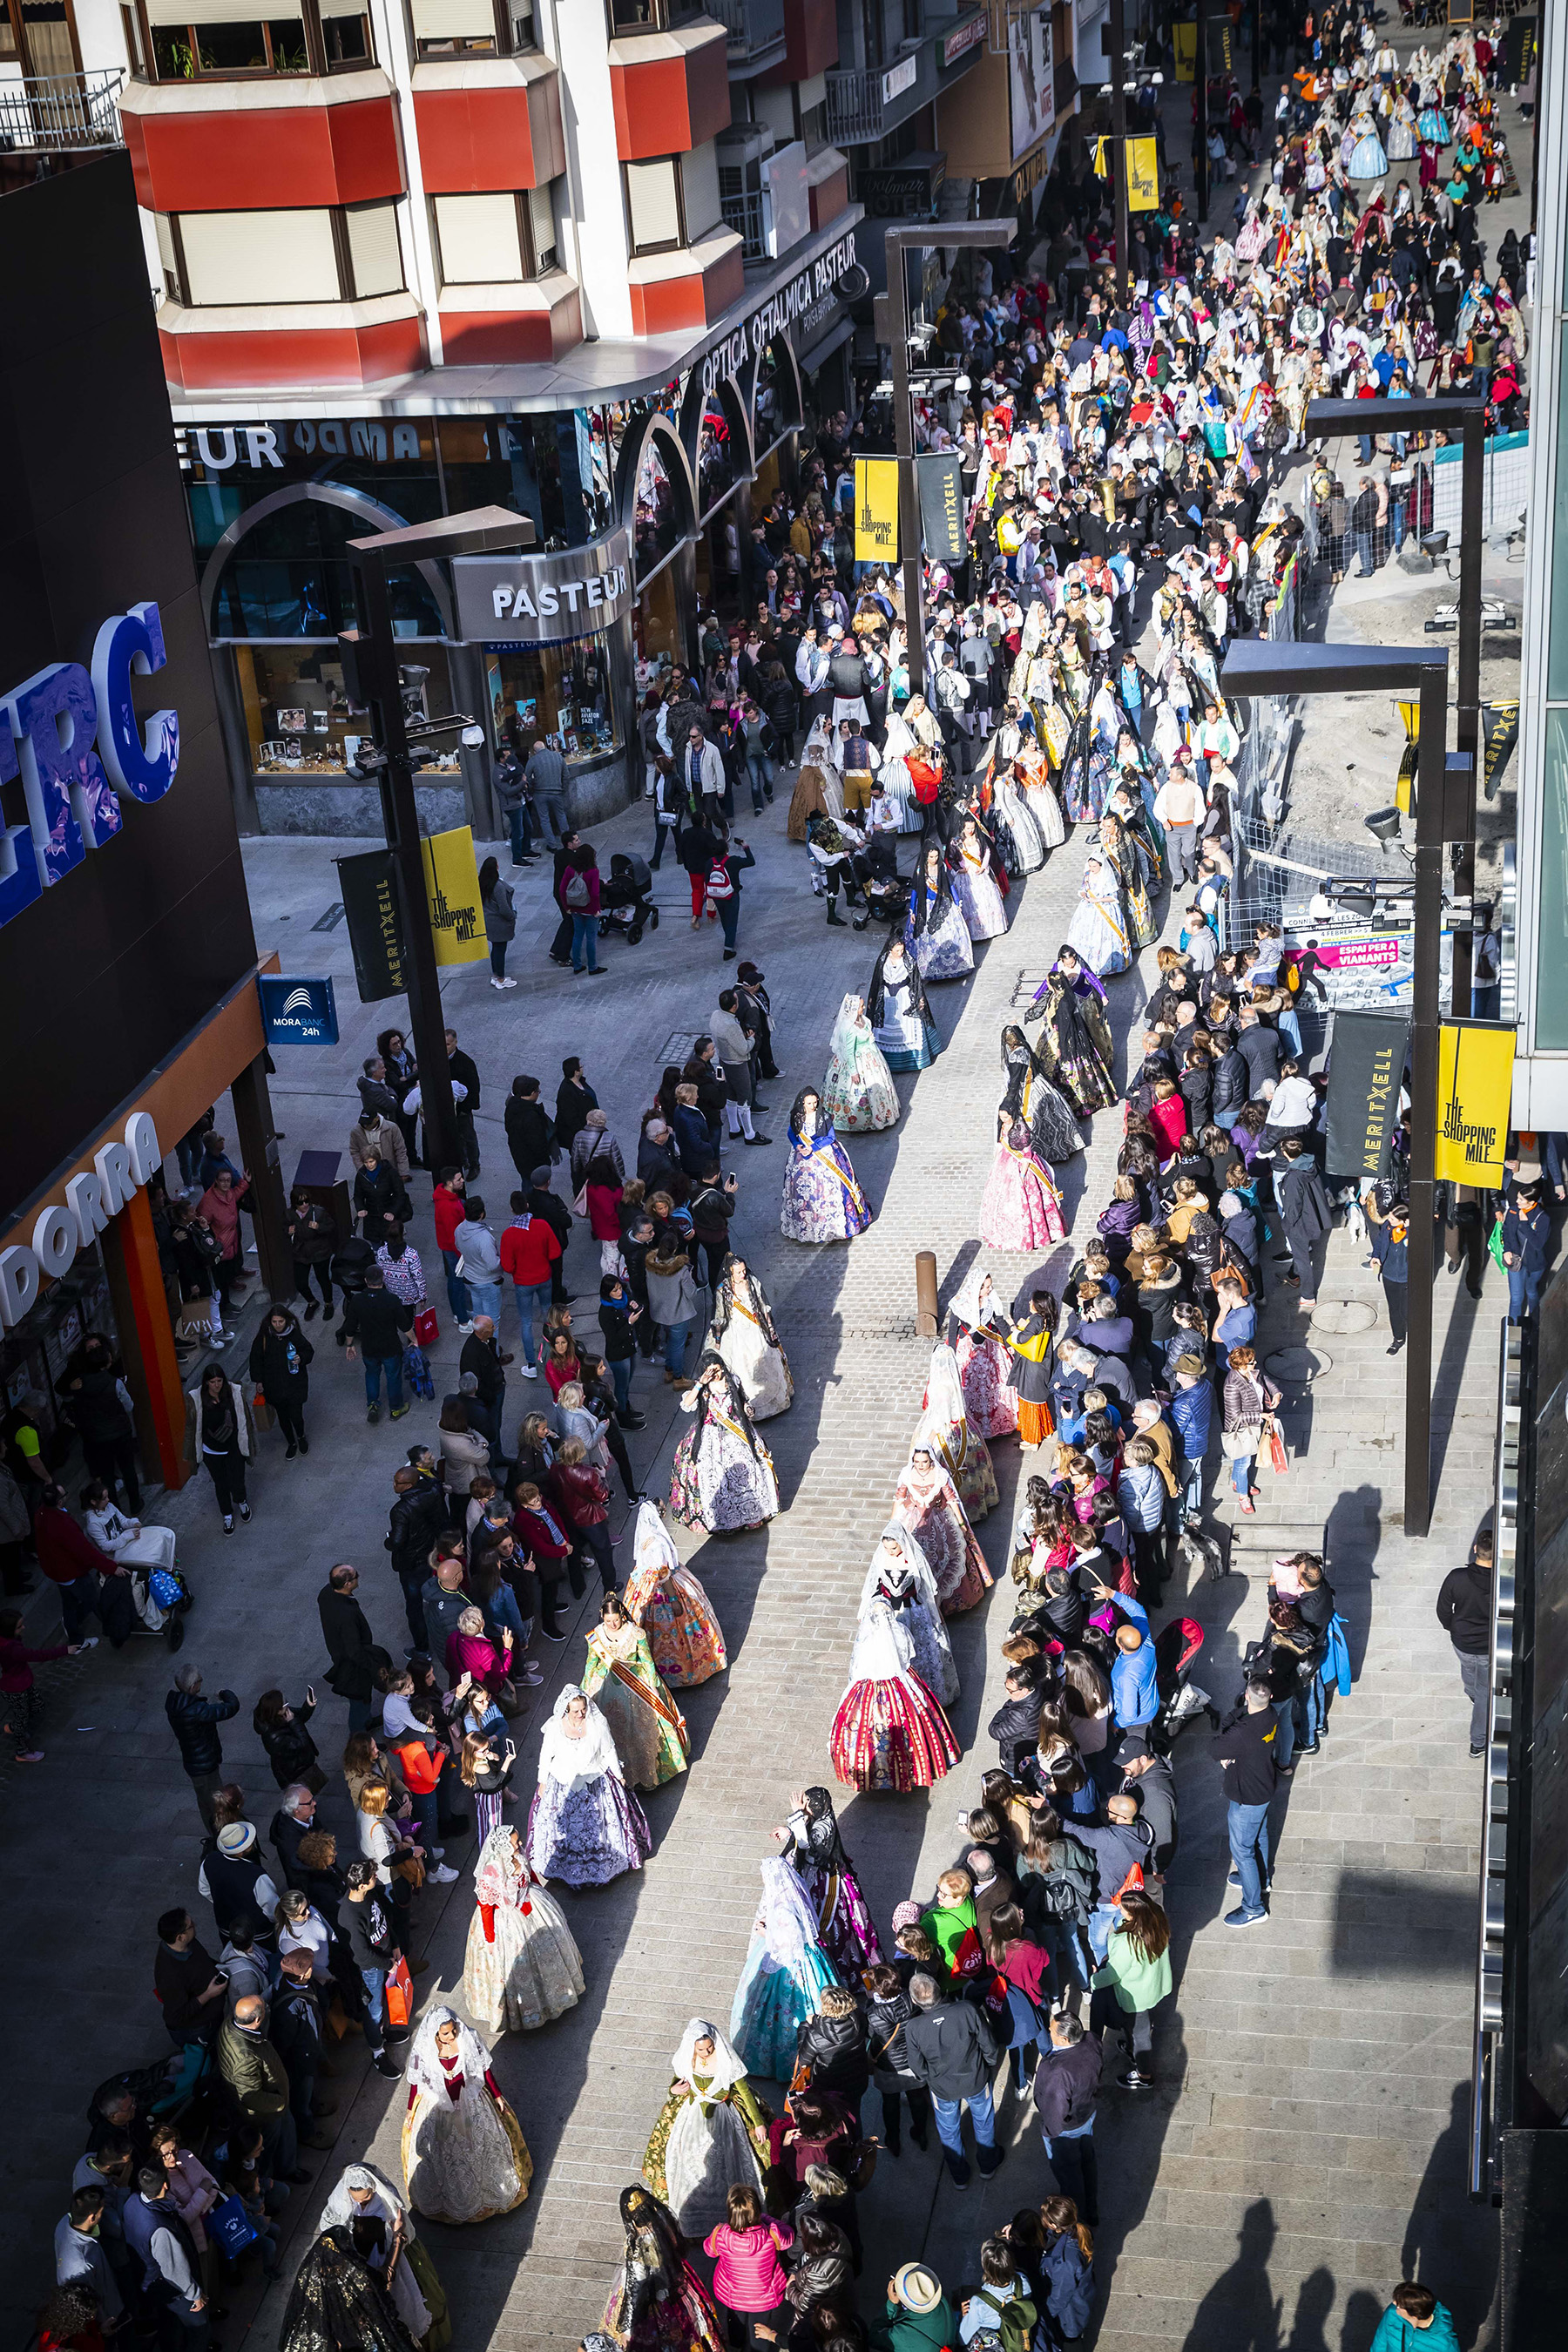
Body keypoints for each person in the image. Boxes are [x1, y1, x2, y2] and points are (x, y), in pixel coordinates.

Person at [401, 2006, 531, 2224]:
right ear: (435, 2033)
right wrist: (410, 2111)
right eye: (446, 2034)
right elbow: (417, 2082)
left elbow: (484, 2070)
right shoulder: (424, 2048)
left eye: (453, 2031)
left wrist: (497, 2096)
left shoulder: (468, 2038)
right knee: (445, 2156)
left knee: (479, 2147)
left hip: (471, 2102)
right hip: (438, 2107)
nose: (452, 2036)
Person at [643, 2020, 771, 2236]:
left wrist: (758, 2123)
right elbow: (676, 2083)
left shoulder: (726, 2061)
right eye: (701, 2049)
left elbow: (745, 2093)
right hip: (691, 2115)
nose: (706, 2051)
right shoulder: (686, 2059)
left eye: (709, 2047)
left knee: (725, 2161)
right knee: (690, 2160)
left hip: (723, 2115)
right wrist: (673, 2090)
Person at [464, 1821, 585, 2034]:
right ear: (503, 1848)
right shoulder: (492, 1871)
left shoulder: (519, 1856)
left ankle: (554, 1997)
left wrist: (540, 1893)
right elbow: (485, 1908)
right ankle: (527, 2010)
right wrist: (490, 1940)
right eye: (515, 1842)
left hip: (531, 1905)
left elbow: (532, 1876)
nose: (519, 1844)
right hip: (506, 1921)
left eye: (518, 1840)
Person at [526, 1686, 652, 1886]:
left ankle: (599, 1869)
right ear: (566, 1710)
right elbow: (545, 1755)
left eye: (583, 1709)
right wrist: (542, 1781)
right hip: (563, 1783)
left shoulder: (597, 1724)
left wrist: (619, 1777)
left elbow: (609, 1751)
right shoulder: (554, 1728)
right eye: (575, 1711)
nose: (581, 1714)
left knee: (601, 1827)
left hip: (595, 1781)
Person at [729, 1857, 839, 2082]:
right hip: (807, 1958)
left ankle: (780, 2060)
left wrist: (764, 1934)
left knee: (779, 2011)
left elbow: (786, 1945)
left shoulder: (781, 1908)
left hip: (786, 1965)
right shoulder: (794, 1895)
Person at [315, 2164, 443, 2343]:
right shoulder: (343, 2206)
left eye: (366, 2198)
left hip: (387, 2258)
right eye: (356, 2199)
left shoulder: (387, 2205)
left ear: (374, 2188)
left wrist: (397, 2237)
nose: (360, 2203)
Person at [900, 1970, 1004, 2186]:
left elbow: (916, 2066)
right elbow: (989, 2044)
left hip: (943, 2090)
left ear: (914, 2000)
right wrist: (989, 2064)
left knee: (948, 2132)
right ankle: (987, 2165)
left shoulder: (914, 2028)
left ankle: (960, 2176)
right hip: (976, 2080)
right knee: (984, 2122)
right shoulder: (966, 2009)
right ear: (939, 1990)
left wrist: (931, 2078)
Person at [580, 1589, 691, 1790]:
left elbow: (647, 1662)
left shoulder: (636, 1633)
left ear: (622, 1615)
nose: (612, 1625)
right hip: (607, 1685)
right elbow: (591, 1664)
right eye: (608, 1621)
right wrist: (586, 1690)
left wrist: (653, 1687)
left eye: (616, 1620)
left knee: (642, 1730)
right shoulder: (596, 1636)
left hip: (636, 1685)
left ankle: (648, 1774)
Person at [605, 2185, 726, 2352]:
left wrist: (628, 2331)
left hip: (654, 2299)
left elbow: (636, 2292)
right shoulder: (662, 2221)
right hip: (675, 2279)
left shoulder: (640, 2249)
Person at [669, 1354, 781, 1533]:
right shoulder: (703, 1387)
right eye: (712, 1372)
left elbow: (742, 1402)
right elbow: (687, 1404)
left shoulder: (732, 1380)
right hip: (710, 1436)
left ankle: (750, 1514)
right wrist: (700, 1383)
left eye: (718, 1370)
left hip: (736, 1432)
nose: (716, 1375)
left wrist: (747, 1410)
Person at [623, 1498, 727, 1687]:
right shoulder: (657, 1543)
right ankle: (686, 1671)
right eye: (662, 1510)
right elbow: (664, 1575)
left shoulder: (645, 1538)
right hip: (666, 1588)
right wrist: (674, 1600)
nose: (665, 1512)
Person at [891, 1443, 990, 1615]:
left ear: (931, 1460)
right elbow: (899, 1499)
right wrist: (892, 1524)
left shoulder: (940, 1475)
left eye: (924, 1461)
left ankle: (949, 1604)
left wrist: (961, 1524)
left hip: (939, 1518)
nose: (920, 1465)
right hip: (913, 1519)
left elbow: (952, 1500)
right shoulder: (907, 1474)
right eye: (917, 1461)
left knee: (949, 1554)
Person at [1088, 1887, 1171, 2091]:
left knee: (1140, 2034)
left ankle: (1144, 2075)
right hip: (1153, 1984)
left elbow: (1114, 1974)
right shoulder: (1157, 1921)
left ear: (1133, 1914)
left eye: (1123, 1909)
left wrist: (1094, 1979)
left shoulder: (1127, 1941)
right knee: (1136, 2027)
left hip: (1136, 1996)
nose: (1119, 1909)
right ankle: (1131, 2047)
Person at [1213, 1680, 1280, 1926]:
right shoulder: (1271, 1714)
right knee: (1259, 1835)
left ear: (1246, 1697)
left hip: (1246, 1795)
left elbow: (1215, 1747)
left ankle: (1253, 1908)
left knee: (1242, 1851)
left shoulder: (1242, 1731)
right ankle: (1261, 1879)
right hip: (1263, 1786)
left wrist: (1229, 1751)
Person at [701, 2183, 793, 2349]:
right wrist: (766, 2218)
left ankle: (736, 2344)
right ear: (757, 2210)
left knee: (736, 2324)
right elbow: (789, 2236)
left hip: (732, 2294)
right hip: (763, 2298)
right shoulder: (772, 2235)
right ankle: (757, 2348)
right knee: (759, 2330)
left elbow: (709, 2250)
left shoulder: (721, 2234)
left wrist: (718, 2230)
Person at [1033, 2011, 1102, 2227]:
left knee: (1069, 2175)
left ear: (1063, 2039)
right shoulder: (1091, 2039)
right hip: (1088, 2114)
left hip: (1066, 2129)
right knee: (1087, 2162)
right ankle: (1092, 2208)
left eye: (1051, 2031)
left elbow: (1055, 2111)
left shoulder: (1058, 2072)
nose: (1048, 2033)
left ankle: (1076, 2219)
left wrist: (1051, 2133)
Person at [781, 1088, 873, 1242]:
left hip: (824, 1154)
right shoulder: (796, 1116)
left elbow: (830, 1137)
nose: (813, 1106)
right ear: (802, 1103)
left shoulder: (823, 1116)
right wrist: (797, 1145)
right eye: (809, 1103)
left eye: (815, 1102)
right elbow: (791, 1132)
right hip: (801, 1156)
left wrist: (813, 1147)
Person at [708, 1254, 793, 1420]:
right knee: (743, 1368)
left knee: (767, 1360)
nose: (743, 1275)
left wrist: (769, 1326)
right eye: (738, 1272)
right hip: (736, 1333)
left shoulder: (753, 1283)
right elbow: (719, 1316)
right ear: (730, 1273)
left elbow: (763, 1307)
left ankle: (775, 1401)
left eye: (744, 1271)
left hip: (756, 1329)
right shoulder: (723, 1290)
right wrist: (717, 1340)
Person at [1436, 1531, 1493, 1757]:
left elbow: (1442, 1610)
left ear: (1475, 1549)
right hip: (1489, 1644)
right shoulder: (1503, 1579)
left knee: (1468, 1669)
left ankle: (1471, 1693)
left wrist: (1453, 1627)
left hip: (1462, 1641)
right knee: (1485, 1692)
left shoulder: (1456, 1577)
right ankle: (1478, 1742)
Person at [166, 1665, 240, 1831]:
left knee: (204, 1800)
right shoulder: (196, 1711)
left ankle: (216, 1831)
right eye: (200, 1680)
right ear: (193, 1687)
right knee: (215, 1803)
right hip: (204, 1765)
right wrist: (225, 1693)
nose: (201, 1682)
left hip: (193, 1761)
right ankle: (225, 1834)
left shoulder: (174, 1705)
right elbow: (230, 1708)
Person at [184, 1368, 253, 1531]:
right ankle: (227, 1514)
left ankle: (241, 1501)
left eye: (219, 1381)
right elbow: (191, 1427)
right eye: (213, 1382)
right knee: (221, 1483)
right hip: (212, 1451)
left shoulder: (233, 1394)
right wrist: (190, 1453)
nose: (217, 1385)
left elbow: (244, 1418)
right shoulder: (197, 1400)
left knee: (237, 1479)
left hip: (233, 1447)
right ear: (206, 1382)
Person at [341, 1267, 415, 1424]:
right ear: (383, 1279)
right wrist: (414, 1340)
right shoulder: (392, 1299)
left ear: (366, 1281)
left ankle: (373, 1405)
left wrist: (349, 1345)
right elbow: (404, 1325)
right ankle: (396, 1408)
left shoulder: (357, 1300)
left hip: (369, 1347)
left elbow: (350, 1325)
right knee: (393, 1377)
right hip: (390, 1347)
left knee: (372, 1374)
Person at [823, 991, 900, 1132]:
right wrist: (854, 1072)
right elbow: (849, 1052)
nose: (863, 1009)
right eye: (861, 1007)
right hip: (859, 1062)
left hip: (871, 1057)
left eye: (863, 1006)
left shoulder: (863, 1020)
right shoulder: (850, 1029)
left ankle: (883, 1113)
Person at [248, 1307, 314, 1458]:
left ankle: (301, 1437)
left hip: (294, 1384)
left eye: (281, 1321)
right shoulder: (263, 1338)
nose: (278, 1325)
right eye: (275, 1322)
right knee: (283, 1417)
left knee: (296, 1416)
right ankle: (291, 1442)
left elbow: (308, 1351)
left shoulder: (294, 1335)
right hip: (274, 1386)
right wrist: (258, 1380)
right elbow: (255, 1360)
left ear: (287, 1320)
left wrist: (301, 1358)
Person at [1369, 2282, 1459, 2350]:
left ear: (1414, 2316)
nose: (1394, 2304)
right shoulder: (1393, 2313)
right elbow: (1380, 2344)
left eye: (1399, 2305)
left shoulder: (1445, 2344)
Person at [479, 855, 517, 990]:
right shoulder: (498, 886)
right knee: (500, 950)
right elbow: (504, 908)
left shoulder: (482, 883)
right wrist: (512, 916)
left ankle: (496, 975)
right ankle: (501, 978)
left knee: (496, 949)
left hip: (489, 921)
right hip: (500, 923)